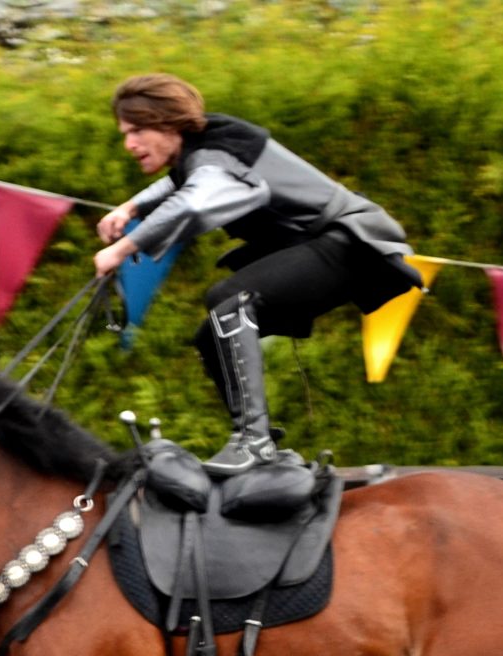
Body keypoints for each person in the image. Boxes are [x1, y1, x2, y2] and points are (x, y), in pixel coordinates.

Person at [90, 74, 423, 474]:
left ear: (168, 123)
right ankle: (261, 447)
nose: (129, 144)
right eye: (126, 133)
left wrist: (124, 247)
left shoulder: (213, 155)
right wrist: (129, 208)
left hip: (349, 240)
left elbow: (194, 202)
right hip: (326, 243)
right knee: (210, 336)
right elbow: (180, 184)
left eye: (137, 131)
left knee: (229, 299)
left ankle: (254, 443)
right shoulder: (206, 150)